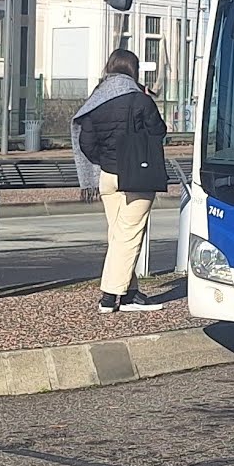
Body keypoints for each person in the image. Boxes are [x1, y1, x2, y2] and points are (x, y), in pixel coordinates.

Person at [71, 49, 168, 314]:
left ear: (109, 68)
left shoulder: (97, 98)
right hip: (137, 175)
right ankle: (109, 297)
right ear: (133, 71)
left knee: (119, 236)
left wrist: (106, 160)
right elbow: (159, 132)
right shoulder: (139, 99)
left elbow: (86, 143)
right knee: (129, 236)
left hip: (107, 176)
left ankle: (129, 293)